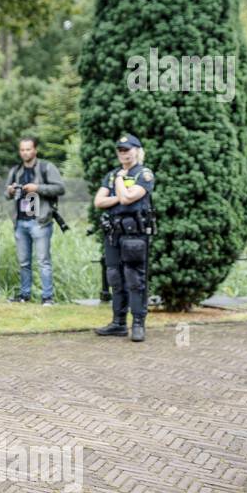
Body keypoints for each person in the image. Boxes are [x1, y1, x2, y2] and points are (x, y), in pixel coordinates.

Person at [93, 134, 156, 343]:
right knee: (115, 278)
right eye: (120, 150)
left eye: (127, 150)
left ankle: (138, 323)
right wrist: (118, 196)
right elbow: (99, 201)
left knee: (135, 280)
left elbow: (129, 198)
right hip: (114, 233)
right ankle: (118, 323)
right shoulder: (111, 174)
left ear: (137, 150)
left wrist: (120, 181)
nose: (124, 154)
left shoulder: (143, 174)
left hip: (134, 235)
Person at [4, 136, 64, 305]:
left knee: (43, 261)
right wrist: (9, 191)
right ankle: (24, 295)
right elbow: (6, 195)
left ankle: (47, 297)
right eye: (22, 150)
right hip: (21, 222)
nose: (25, 152)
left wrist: (37, 188)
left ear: (35, 150)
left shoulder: (46, 167)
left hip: (40, 221)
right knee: (24, 262)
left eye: (28, 149)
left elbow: (60, 188)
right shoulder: (16, 170)